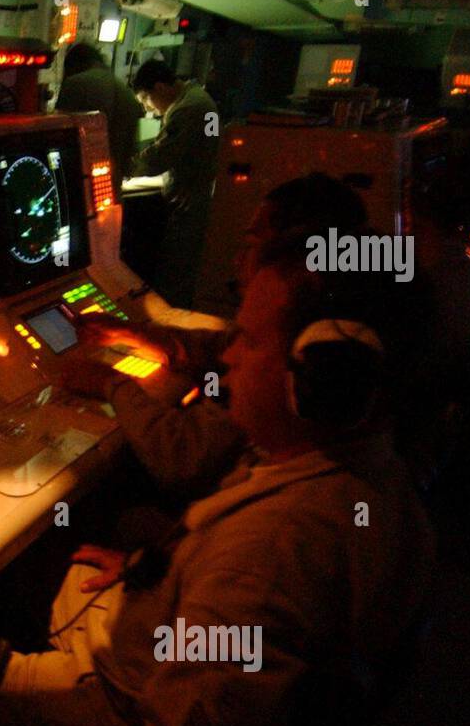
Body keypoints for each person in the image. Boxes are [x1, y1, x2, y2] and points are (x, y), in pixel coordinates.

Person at [0, 229, 438, 726]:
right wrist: (152, 568)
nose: (227, 355)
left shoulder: (266, 560)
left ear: (322, 383)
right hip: (154, 664)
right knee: (64, 563)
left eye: (250, 338)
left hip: (120, 724)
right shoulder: (374, 481)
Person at [64, 173, 372, 497]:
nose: (238, 259)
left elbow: (183, 456)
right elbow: (221, 346)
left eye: (253, 244)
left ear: (292, 254)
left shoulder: (295, 354)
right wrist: (139, 334)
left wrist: (111, 383)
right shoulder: (331, 325)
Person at [129, 59, 220, 308]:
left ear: (160, 88)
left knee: (175, 273)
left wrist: (126, 169)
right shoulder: (202, 100)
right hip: (199, 195)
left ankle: (169, 332)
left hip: (188, 201)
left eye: (146, 99)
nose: (149, 109)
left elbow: (161, 156)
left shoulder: (188, 109)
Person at [56, 42, 143, 185]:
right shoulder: (125, 91)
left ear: (73, 64)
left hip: (81, 184)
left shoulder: (75, 84)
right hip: (112, 184)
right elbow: (130, 155)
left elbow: (60, 135)